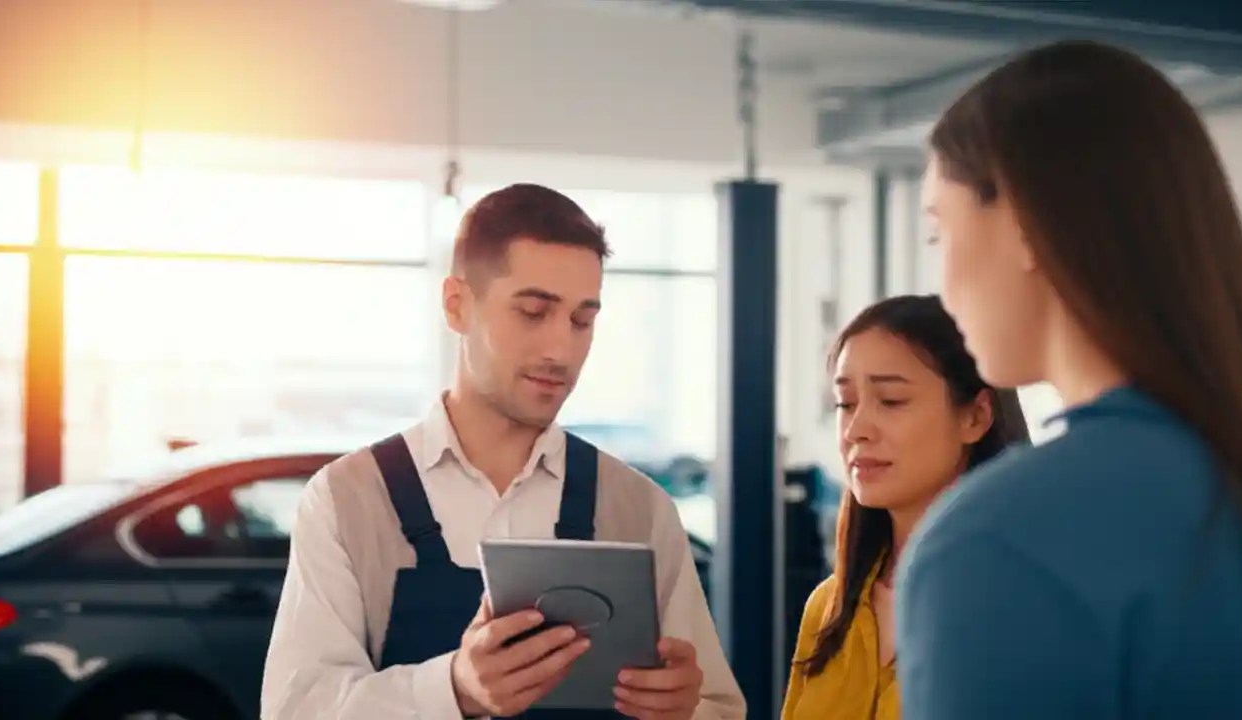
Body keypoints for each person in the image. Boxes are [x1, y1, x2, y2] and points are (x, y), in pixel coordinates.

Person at [261, 184, 745, 719]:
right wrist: (454, 689)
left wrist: (684, 711)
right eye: (533, 312)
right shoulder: (346, 501)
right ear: (456, 305)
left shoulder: (640, 511)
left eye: (582, 321)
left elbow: (719, 709)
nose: (561, 349)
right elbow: (294, 711)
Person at [898, 40, 1242, 719]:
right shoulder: (1230, 472)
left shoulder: (999, 537)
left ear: (1021, 223)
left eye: (938, 233)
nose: (942, 286)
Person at [781, 295, 1028, 720]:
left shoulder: (1025, 609)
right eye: (845, 403)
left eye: (891, 400)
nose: (856, 429)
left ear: (975, 416)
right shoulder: (828, 608)